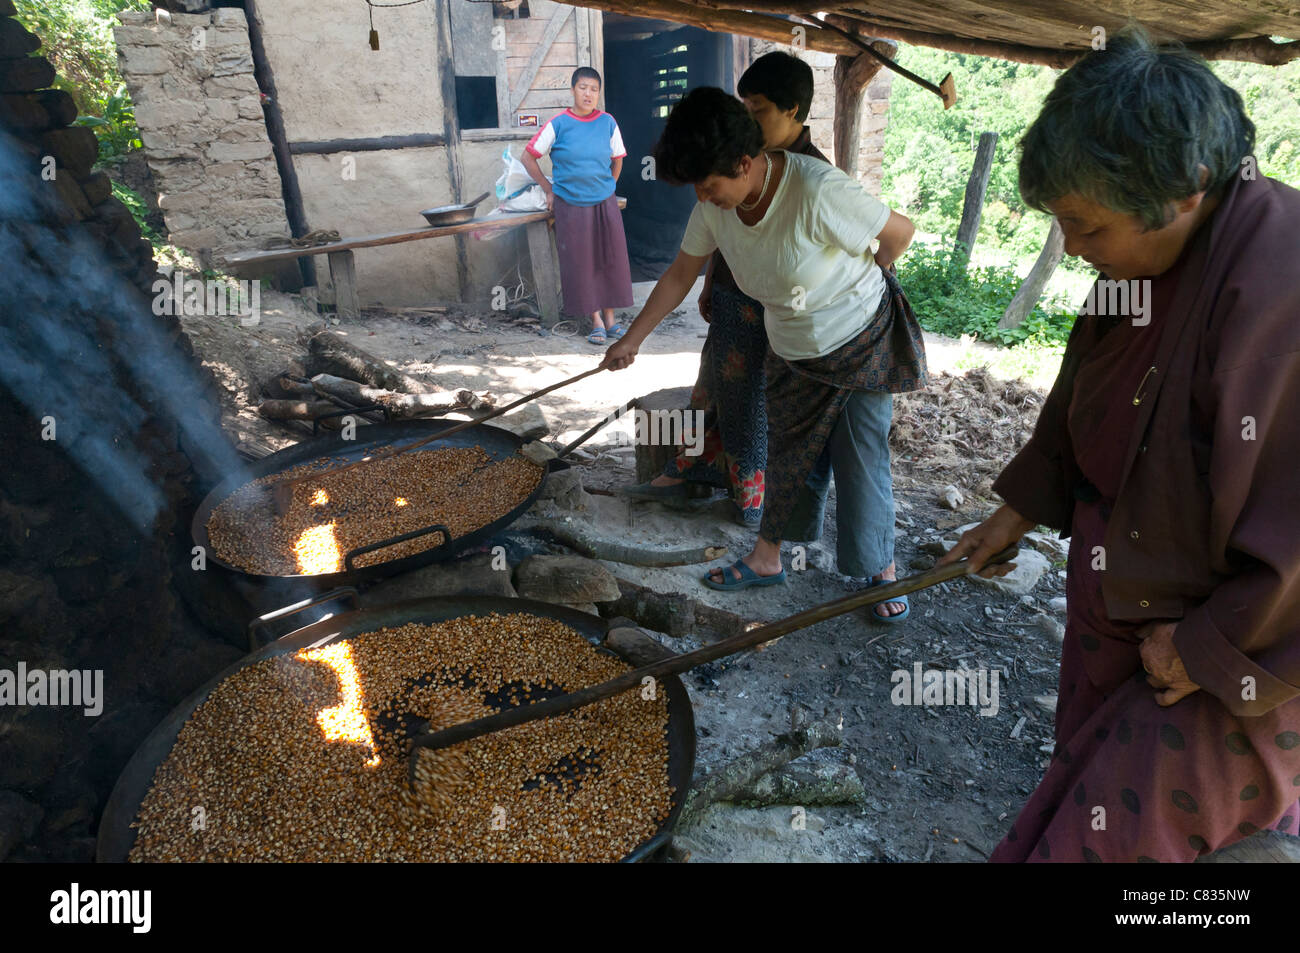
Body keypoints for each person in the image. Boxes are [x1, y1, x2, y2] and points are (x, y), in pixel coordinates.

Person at [938, 31, 1300, 861]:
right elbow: (1087, 398)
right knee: (1077, 787)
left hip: (1235, 662)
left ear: (1183, 192)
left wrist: (1207, 648)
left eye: (1085, 225)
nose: (1074, 246)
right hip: (1121, 608)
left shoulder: (1280, 288)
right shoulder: (1139, 272)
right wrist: (1018, 511)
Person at [603, 87, 925, 621]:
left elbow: (898, 234)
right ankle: (768, 558)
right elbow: (681, 273)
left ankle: (881, 572)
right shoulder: (713, 208)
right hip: (793, 346)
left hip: (859, 340)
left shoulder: (816, 189)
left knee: (860, 453)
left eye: (710, 185)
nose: (704, 198)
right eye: (697, 189)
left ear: (745, 163)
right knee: (789, 452)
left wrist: (864, 282)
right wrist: (632, 339)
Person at [621, 51, 830, 535]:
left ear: (793, 109)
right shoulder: (734, 177)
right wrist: (636, 337)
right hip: (734, 303)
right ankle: (686, 469)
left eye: (758, 109)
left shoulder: (812, 178)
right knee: (710, 388)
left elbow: (876, 248)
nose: (749, 120)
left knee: (748, 407)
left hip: (779, 319)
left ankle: (751, 502)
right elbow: (691, 258)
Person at [521, 67, 633, 345]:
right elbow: (528, 157)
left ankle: (611, 320)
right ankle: (594, 321)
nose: (588, 94)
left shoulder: (607, 122)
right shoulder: (559, 124)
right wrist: (550, 190)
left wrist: (609, 187)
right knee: (582, 262)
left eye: (594, 89)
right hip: (570, 204)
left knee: (610, 257)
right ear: (573, 90)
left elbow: (618, 159)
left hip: (604, 202)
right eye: (583, 87)